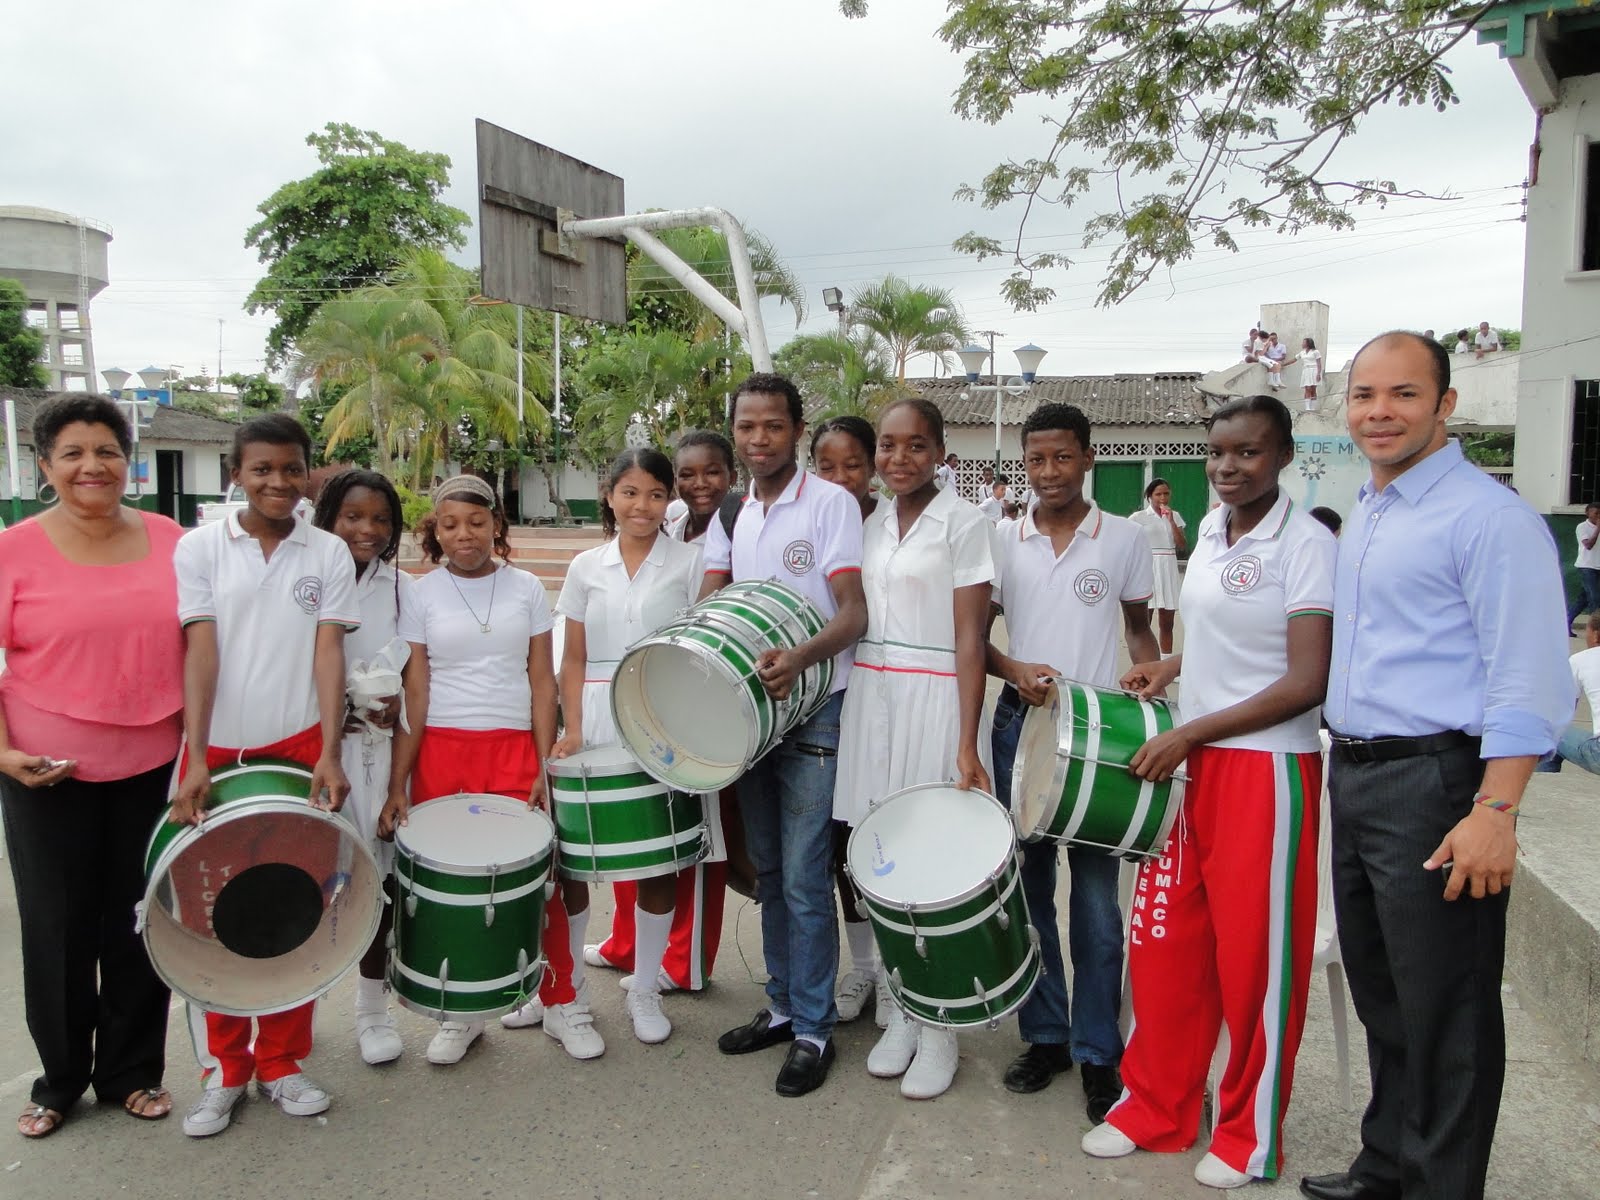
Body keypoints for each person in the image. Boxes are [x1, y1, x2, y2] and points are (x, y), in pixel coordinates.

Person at [1301, 331, 1569, 1200]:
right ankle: (1388, 1167)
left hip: (1438, 783)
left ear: (1445, 405)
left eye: (1404, 395)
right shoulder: (1370, 508)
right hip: (1360, 772)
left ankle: (1439, 1186)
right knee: (1384, 992)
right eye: (1365, 395)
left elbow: (1528, 673)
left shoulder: (1490, 518)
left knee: (1446, 1009)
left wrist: (1496, 811)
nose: (1381, 412)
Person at [1083, 393, 1335, 1190]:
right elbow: (1230, 642)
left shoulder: (1306, 544)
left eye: (1249, 452)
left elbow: (1305, 680)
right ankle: (1155, 1107)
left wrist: (1192, 731)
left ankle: (1246, 1136)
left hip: (1264, 771)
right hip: (1192, 764)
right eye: (1218, 453)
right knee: (1164, 947)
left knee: (1254, 967)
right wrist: (1171, 667)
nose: (1228, 467)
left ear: (1284, 456)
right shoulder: (1216, 536)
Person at [0, 395, 185, 1140]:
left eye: (106, 451)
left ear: (127, 462)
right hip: (45, 775)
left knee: (141, 925)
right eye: (72, 453)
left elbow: (205, 646)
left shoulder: (173, 539)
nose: (91, 466)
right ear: (45, 466)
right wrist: (4, 753)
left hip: (153, 767)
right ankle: (60, 1080)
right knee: (57, 932)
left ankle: (133, 1073)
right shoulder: (13, 548)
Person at [173, 413, 358, 1138]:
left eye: (290, 468)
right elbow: (200, 652)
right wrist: (195, 757)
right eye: (261, 470)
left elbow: (327, 656)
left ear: (307, 472)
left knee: (292, 910)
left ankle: (281, 1062)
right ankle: (225, 1068)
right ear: (235, 475)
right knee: (212, 911)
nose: (278, 482)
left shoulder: (328, 553)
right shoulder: (200, 548)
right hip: (218, 752)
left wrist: (330, 751)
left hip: (299, 745)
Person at [986, 402, 1158, 1120]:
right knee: (1027, 893)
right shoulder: (1001, 538)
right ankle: (1046, 1034)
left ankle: (1097, 1050)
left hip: (1099, 739)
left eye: (1062, 458)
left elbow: (1140, 631)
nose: (1048, 473)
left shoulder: (1123, 539)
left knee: (1094, 904)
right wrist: (1013, 666)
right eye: (1036, 460)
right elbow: (974, 638)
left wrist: (1155, 706)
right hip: (1019, 726)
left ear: (1090, 458)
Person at [382, 476, 587, 1063]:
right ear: (435, 531)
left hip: (512, 748)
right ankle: (463, 1013)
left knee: (537, 883)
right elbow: (414, 690)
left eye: (475, 523)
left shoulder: (525, 588)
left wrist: (543, 764)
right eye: (449, 525)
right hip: (442, 750)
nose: (463, 536)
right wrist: (401, 779)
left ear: (497, 525)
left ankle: (561, 1000)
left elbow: (541, 679)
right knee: (452, 889)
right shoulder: (421, 594)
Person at [705, 372, 867, 1098]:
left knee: (805, 878)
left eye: (773, 426)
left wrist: (799, 658)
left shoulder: (830, 504)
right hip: (751, 715)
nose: (759, 439)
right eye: (747, 427)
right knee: (767, 871)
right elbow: (716, 603)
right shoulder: (735, 510)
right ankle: (780, 1006)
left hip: (814, 707)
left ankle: (813, 1030)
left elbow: (853, 613)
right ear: (734, 430)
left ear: (797, 430)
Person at [833, 398, 994, 1101]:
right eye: (889, 447)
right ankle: (898, 1007)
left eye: (915, 446)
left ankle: (940, 1027)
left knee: (932, 868)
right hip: (874, 697)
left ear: (939, 451)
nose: (900, 460)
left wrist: (965, 738)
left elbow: (970, 639)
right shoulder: (866, 524)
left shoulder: (965, 523)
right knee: (877, 859)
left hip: (934, 699)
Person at [541, 449, 702, 1044]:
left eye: (656, 494)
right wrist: (574, 727)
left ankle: (643, 987)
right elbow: (574, 654)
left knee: (659, 854)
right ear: (609, 495)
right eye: (630, 492)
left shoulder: (691, 562)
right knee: (577, 857)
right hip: (596, 714)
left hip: (662, 714)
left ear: (669, 501)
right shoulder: (586, 565)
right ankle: (572, 992)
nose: (642, 506)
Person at [582, 431, 742, 994]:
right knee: (632, 828)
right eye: (689, 475)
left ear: (732, 474)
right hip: (617, 701)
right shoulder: (665, 529)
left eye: (713, 472)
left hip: (680, 708)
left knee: (687, 839)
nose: (701, 485)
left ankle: (684, 960)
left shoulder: (725, 536)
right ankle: (626, 942)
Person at [311, 469, 411, 1067]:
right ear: (328, 517)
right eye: (352, 516)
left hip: (376, 754)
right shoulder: (308, 577)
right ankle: (288, 1014)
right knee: (311, 887)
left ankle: (372, 1011)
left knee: (376, 888)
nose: (366, 530)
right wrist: (327, 718)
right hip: (313, 752)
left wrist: (392, 704)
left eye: (380, 519)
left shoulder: (400, 588)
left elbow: (420, 677)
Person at [808, 414, 885, 1026]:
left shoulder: (889, 527)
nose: (839, 479)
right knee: (837, 848)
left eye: (852, 465)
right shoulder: (807, 523)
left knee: (881, 842)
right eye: (826, 466)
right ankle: (862, 969)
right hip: (827, 701)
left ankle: (894, 974)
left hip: (890, 703)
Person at [1536, 613, 1600, 776]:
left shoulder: (1582, 659)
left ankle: (1544, 786)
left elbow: (1562, 709)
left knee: (1548, 731)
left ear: (1595, 634)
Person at [1130, 478, 1187, 655]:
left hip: (1168, 566)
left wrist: (1170, 521)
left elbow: (1182, 545)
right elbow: (1128, 544)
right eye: (1158, 494)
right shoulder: (1138, 518)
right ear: (1149, 496)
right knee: (1144, 620)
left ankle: (1165, 659)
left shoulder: (1175, 515)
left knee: (1167, 620)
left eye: (1166, 493)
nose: (1163, 497)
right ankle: (1146, 661)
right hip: (1148, 566)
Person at [1567, 502, 1600, 636]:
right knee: (1595, 599)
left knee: (1583, 600)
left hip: (1598, 566)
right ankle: (1595, 632)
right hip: (1587, 566)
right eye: (1596, 513)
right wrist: (1598, 528)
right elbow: (1589, 545)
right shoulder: (1582, 527)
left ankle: (1565, 622)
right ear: (1587, 513)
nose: (1598, 516)